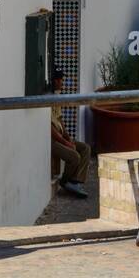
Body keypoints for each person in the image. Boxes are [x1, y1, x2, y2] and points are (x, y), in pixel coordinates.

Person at [50, 69, 91, 199]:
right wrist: (66, 143)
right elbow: (50, 129)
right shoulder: (46, 99)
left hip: (60, 137)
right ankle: (65, 182)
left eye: (61, 80)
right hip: (52, 141)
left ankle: (75, 181)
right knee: (74, 156)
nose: (59, 83)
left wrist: (68, 137)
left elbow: (60, 119)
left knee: (85, 148)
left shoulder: (57, 96)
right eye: (57, 80)